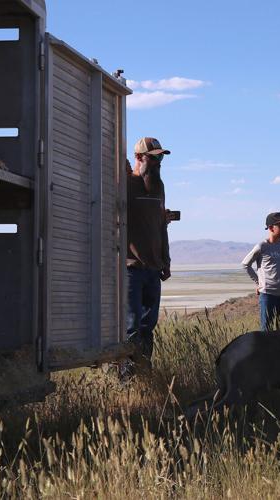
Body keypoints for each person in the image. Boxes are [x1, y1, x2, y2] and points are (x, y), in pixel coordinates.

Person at [121, 137, 172, 379]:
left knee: (147, 327)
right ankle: (127, 379)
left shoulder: (159, 187)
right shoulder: (125, 183)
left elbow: (161, 225)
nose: (158, 163)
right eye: (154, 158)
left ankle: (144, 375)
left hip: (153, 269)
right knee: (131, 328)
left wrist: (166, 260)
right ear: (140, 157)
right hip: (131, 269)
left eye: (161, 158)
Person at [242, 212, 280, 331]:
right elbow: (246, 264)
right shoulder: (262, 246)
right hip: (267, 295)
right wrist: (259, 283)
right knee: (267, 332)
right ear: (271, 227)